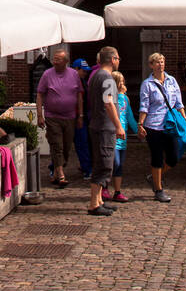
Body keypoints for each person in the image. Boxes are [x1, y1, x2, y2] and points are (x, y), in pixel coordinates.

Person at [138, 53, 186, 203]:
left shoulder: (172, 81)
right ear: (151, 65)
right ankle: (158, 189)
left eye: (162, 61)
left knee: (173, 157)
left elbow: (178, 102)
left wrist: (183, 117)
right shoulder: (147, 84)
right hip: (153, 124)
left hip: (170, 123)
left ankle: (153, 177)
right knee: (157, 157)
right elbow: (144, 106)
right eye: (157, 62)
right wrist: (140, 124)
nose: (160, 64)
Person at [36, 48, 83, 187]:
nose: (55, 61)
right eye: (54, 59)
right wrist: (40, 115)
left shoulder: (74, 74)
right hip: (52, 116)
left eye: (58, 59)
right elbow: (40, 94)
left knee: (67, 146)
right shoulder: (47, 74)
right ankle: (61, 174)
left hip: (70, 117)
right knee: (57, 145)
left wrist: (80, 115)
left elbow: (79, 94)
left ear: (66, 61)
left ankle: (56, 171)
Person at [87, 46, 124, 216]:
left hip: (96, 125)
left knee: (100, 161)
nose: (118, 61)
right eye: (117, 58)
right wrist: (118, 125)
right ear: (112, 59)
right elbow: (108, 103)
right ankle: (94, 203)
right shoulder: (107, 78)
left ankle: (100, 200)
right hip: (105, 127)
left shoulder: (95, 76)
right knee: (104, 163)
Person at [111, 70, 137, 202]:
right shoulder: (110, 98)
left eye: (122, 81)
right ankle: (103, 187)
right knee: (114, 163)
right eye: (119, 82)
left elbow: (130, 117)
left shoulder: (125, 99)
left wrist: (138, 130)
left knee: (120, 165)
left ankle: (117, 191)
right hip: (113, 137)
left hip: (123, 138)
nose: (122, 84)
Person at [71, 58, 93, 180]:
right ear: (76, 69)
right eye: (83, 71)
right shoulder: (72, 81)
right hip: (71, 116)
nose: (85, 73)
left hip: (81, 117)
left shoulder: (83, 82)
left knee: (83, 143)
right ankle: (55, 168)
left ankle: (87, 168)